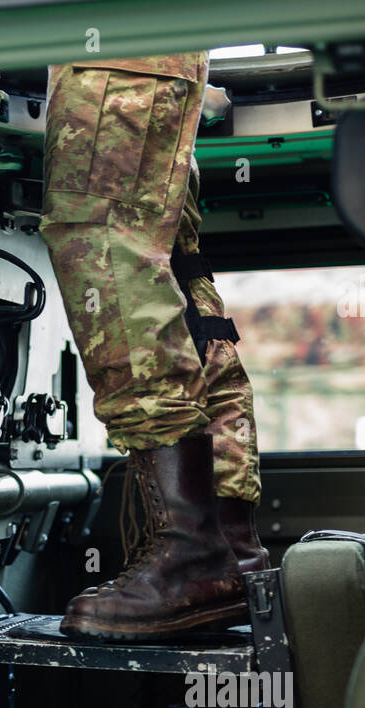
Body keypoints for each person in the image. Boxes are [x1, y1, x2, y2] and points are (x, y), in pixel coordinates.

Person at [40, 51, 269, 641]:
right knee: (171, 261)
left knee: (103, 243)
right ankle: (230, 549)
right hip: (145, 50)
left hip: (115, 47)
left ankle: (194, 554)